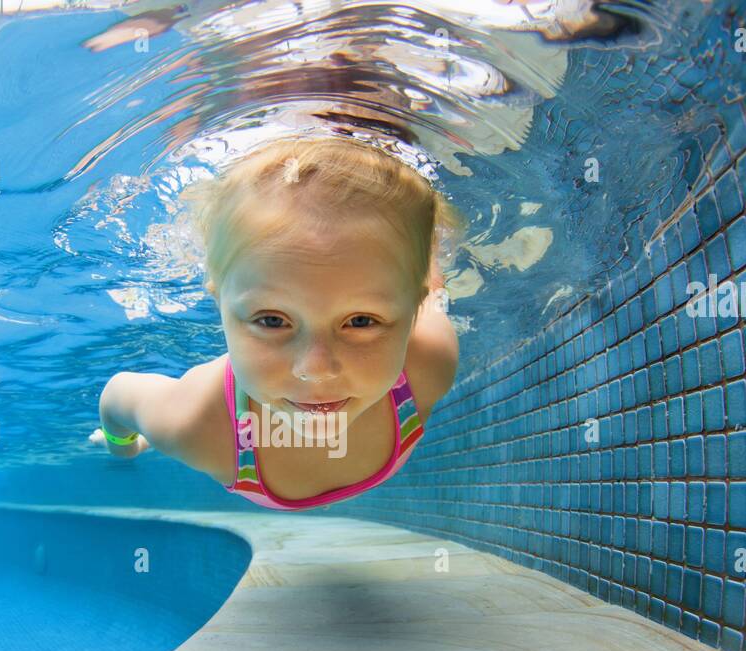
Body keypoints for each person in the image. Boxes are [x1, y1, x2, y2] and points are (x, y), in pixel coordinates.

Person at [91, 135, 466, 510]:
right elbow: (117, 395)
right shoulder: (194, 426)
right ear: (218, 302)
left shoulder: (429, 362)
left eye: (361, 320)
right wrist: (123, 447)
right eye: (271, 320)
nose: (316, 370)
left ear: (414, 309)